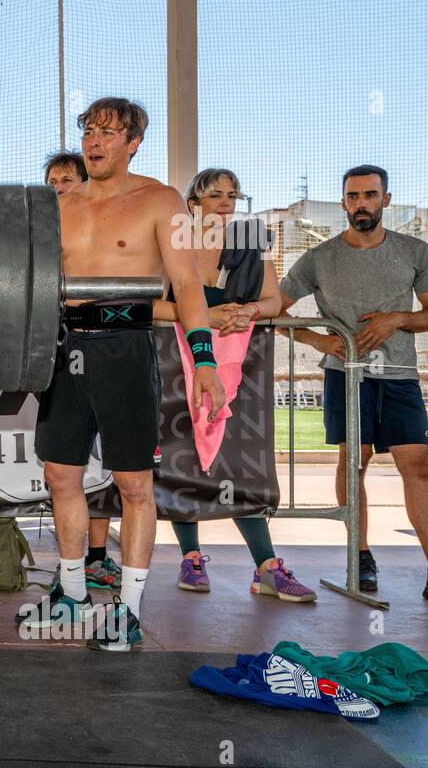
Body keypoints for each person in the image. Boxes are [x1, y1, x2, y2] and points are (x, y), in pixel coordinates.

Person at [24, 97, 225, 651]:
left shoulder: (160, 200)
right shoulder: (57, 204)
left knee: (135, 485)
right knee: (61, 476)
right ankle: (70, 596)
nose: (94, 141)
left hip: (126, 349)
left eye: (108, 133)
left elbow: (186, 286)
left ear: (133, 142)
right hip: (66, 349)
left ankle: (129, 611)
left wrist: (204, 360)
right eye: (89, 130)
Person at [153, 169, 313, 601]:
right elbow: (148, 305)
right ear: (192, 203)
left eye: (232, 195)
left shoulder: (249, 239)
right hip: (174, 359)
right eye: (214, 195)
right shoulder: (173, 241)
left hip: (237, 361)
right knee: (179, 455)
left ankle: (266, 566)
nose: (225, 202)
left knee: (240, 459)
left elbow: (274, 299)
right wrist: (204, 318)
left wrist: (249, 312)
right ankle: (190, 557)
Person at [279, 165, 428, 601]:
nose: (360, 203)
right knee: (354, 459)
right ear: (344, 202)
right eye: (352, 196)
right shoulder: (319, 258)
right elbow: (276, 310)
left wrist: (399, 318)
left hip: (398, 375)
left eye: (369, 195)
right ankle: (359, 556)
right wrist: (319, 337)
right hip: (346, 375)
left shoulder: (415, 251)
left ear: (385, 199)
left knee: (417, 464)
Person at [44, 151, 121, 590]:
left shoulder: (104, 221)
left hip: (109, 349)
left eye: (67, 178)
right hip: (57, 353)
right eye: (52, 180)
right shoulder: (43, 230)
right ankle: (70, 570)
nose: (59, 186)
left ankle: (97, 556)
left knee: (109, 463)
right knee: (61, 467)